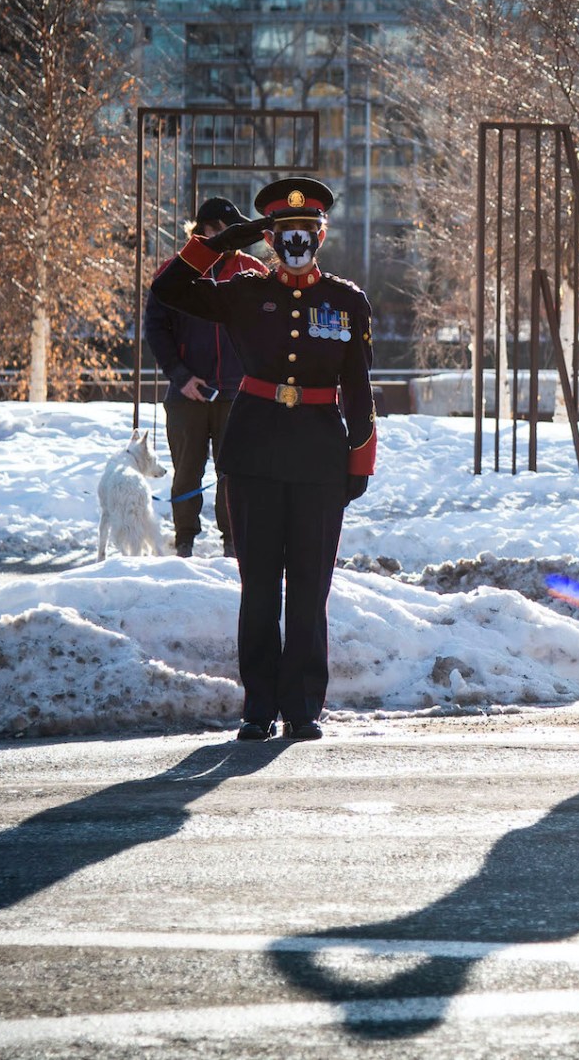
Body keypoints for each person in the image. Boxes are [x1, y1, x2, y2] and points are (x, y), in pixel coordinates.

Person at [152, 177, 375, 742]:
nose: (296, 242)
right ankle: (258, 707)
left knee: (309, 586)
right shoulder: (245, 292)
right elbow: (171, 288)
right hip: (253, 455)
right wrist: (234, 240)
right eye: (284, 233)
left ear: (320, 235)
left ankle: (302, 707)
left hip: (320, 458)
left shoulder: (347, 302)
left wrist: (360, 458)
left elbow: (359, 388)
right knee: (258, 588)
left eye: (306, 231)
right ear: (273, 240)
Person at [143, 198, 265, 558]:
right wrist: (180, 377)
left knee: (235, 471)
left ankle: (233, 543)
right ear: (208, 229)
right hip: (187, 394)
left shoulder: (251, 269)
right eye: (229, 228)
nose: (236, 237)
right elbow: (155, 328)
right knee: (186, 472)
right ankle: (184, 543)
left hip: (238, 393)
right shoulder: (174, 271)